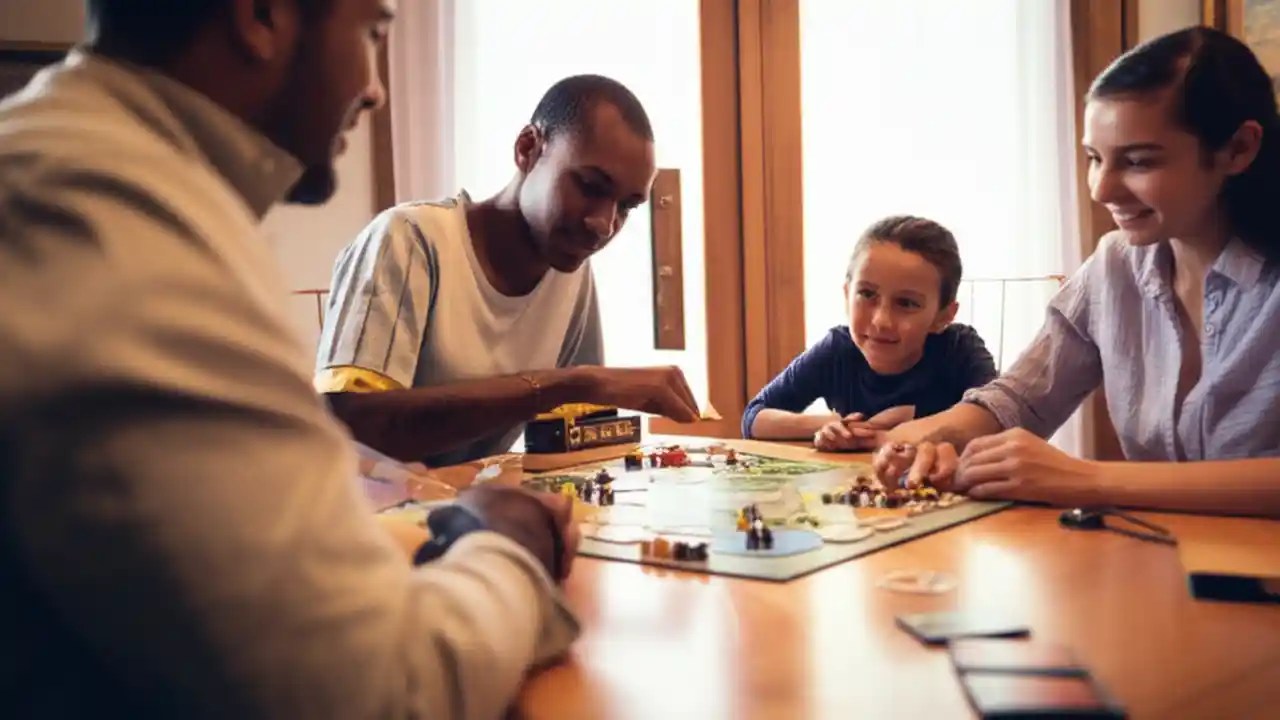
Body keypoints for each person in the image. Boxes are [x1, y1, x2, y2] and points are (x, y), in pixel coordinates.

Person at [0, 1, 583, 717]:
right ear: (259, 15)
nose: (375, 88)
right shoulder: (118, 225)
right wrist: (509, 543)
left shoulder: (83, 166)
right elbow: (378, 690)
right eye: (371, 32)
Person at [874, 27, 1280, 519]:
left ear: (1238, 149)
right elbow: (1019, 400)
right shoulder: (1115, 266)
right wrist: (932, 435)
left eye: (1137, 161)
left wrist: (1087, 478)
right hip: (1163, 567)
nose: (1101, 188)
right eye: (1094, 158)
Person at [314, 74, 700, 465]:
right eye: (589, 186)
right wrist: (566, 385)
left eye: (627, 207)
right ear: (528, 148)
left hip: (466, 512)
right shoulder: (409, 239)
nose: (605, 223)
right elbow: (350, 425)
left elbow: (574, 426)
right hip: (367, 517)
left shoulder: (572, 272)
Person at [741, 216, 996, 451]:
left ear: (944, 316)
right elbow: (754, 418)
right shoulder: (837, 350)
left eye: (906, 303)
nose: (881, 320)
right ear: (846, 294)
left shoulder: (959, 350)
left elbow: (996, 420)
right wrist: (834, 425)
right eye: (867, 294)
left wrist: (893, 434)